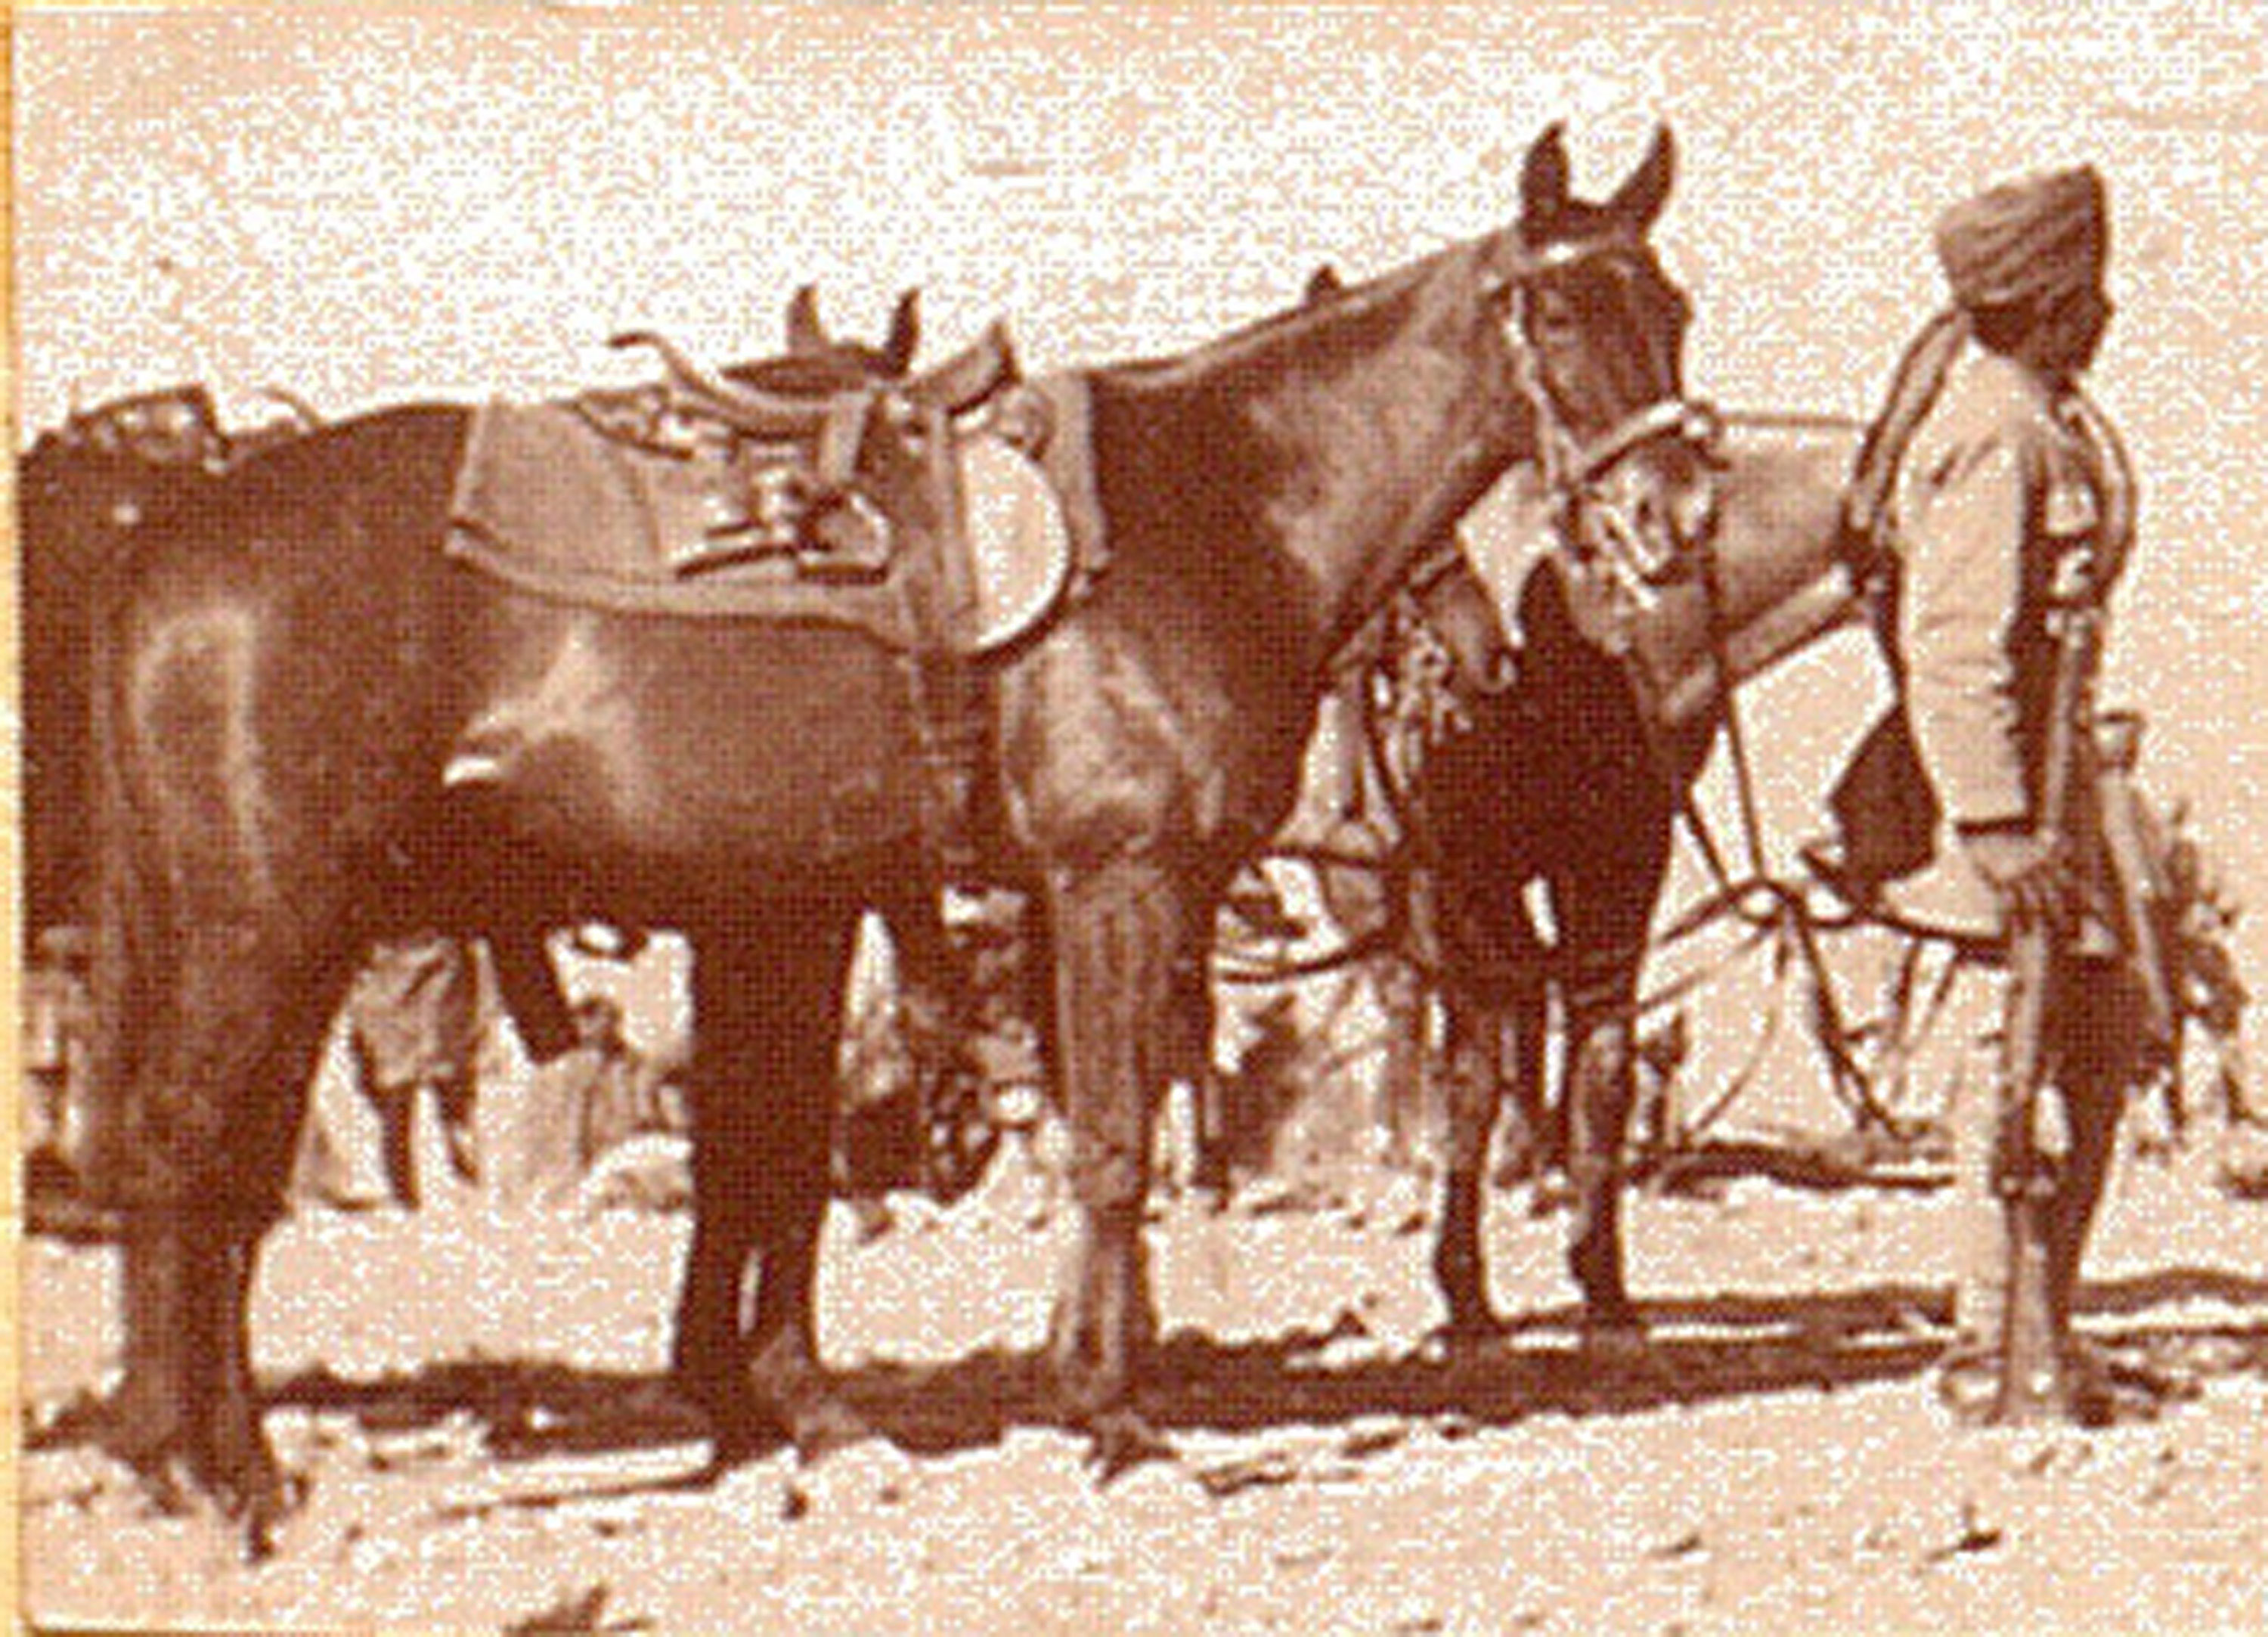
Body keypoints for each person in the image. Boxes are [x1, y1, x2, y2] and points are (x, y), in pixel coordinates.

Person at [1825, 165, 2153, 1419]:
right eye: (2091, 290)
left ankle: (2039, 1331)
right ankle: (1991, 1351)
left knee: (2097, 1039)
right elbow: (1954, 645)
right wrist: (2000, 827)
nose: (2109, 312)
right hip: (2003, 802)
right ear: (2056, 300)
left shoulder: (2043, 415)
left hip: (2053, 785)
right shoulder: (1994, 429)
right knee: (2008, 1070)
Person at [342, 933, 484, 1208]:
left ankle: (448, 1173)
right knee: (403, 1084)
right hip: (388, 962)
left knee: (438, 1071)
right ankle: (405, 1190)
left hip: (422, 953)